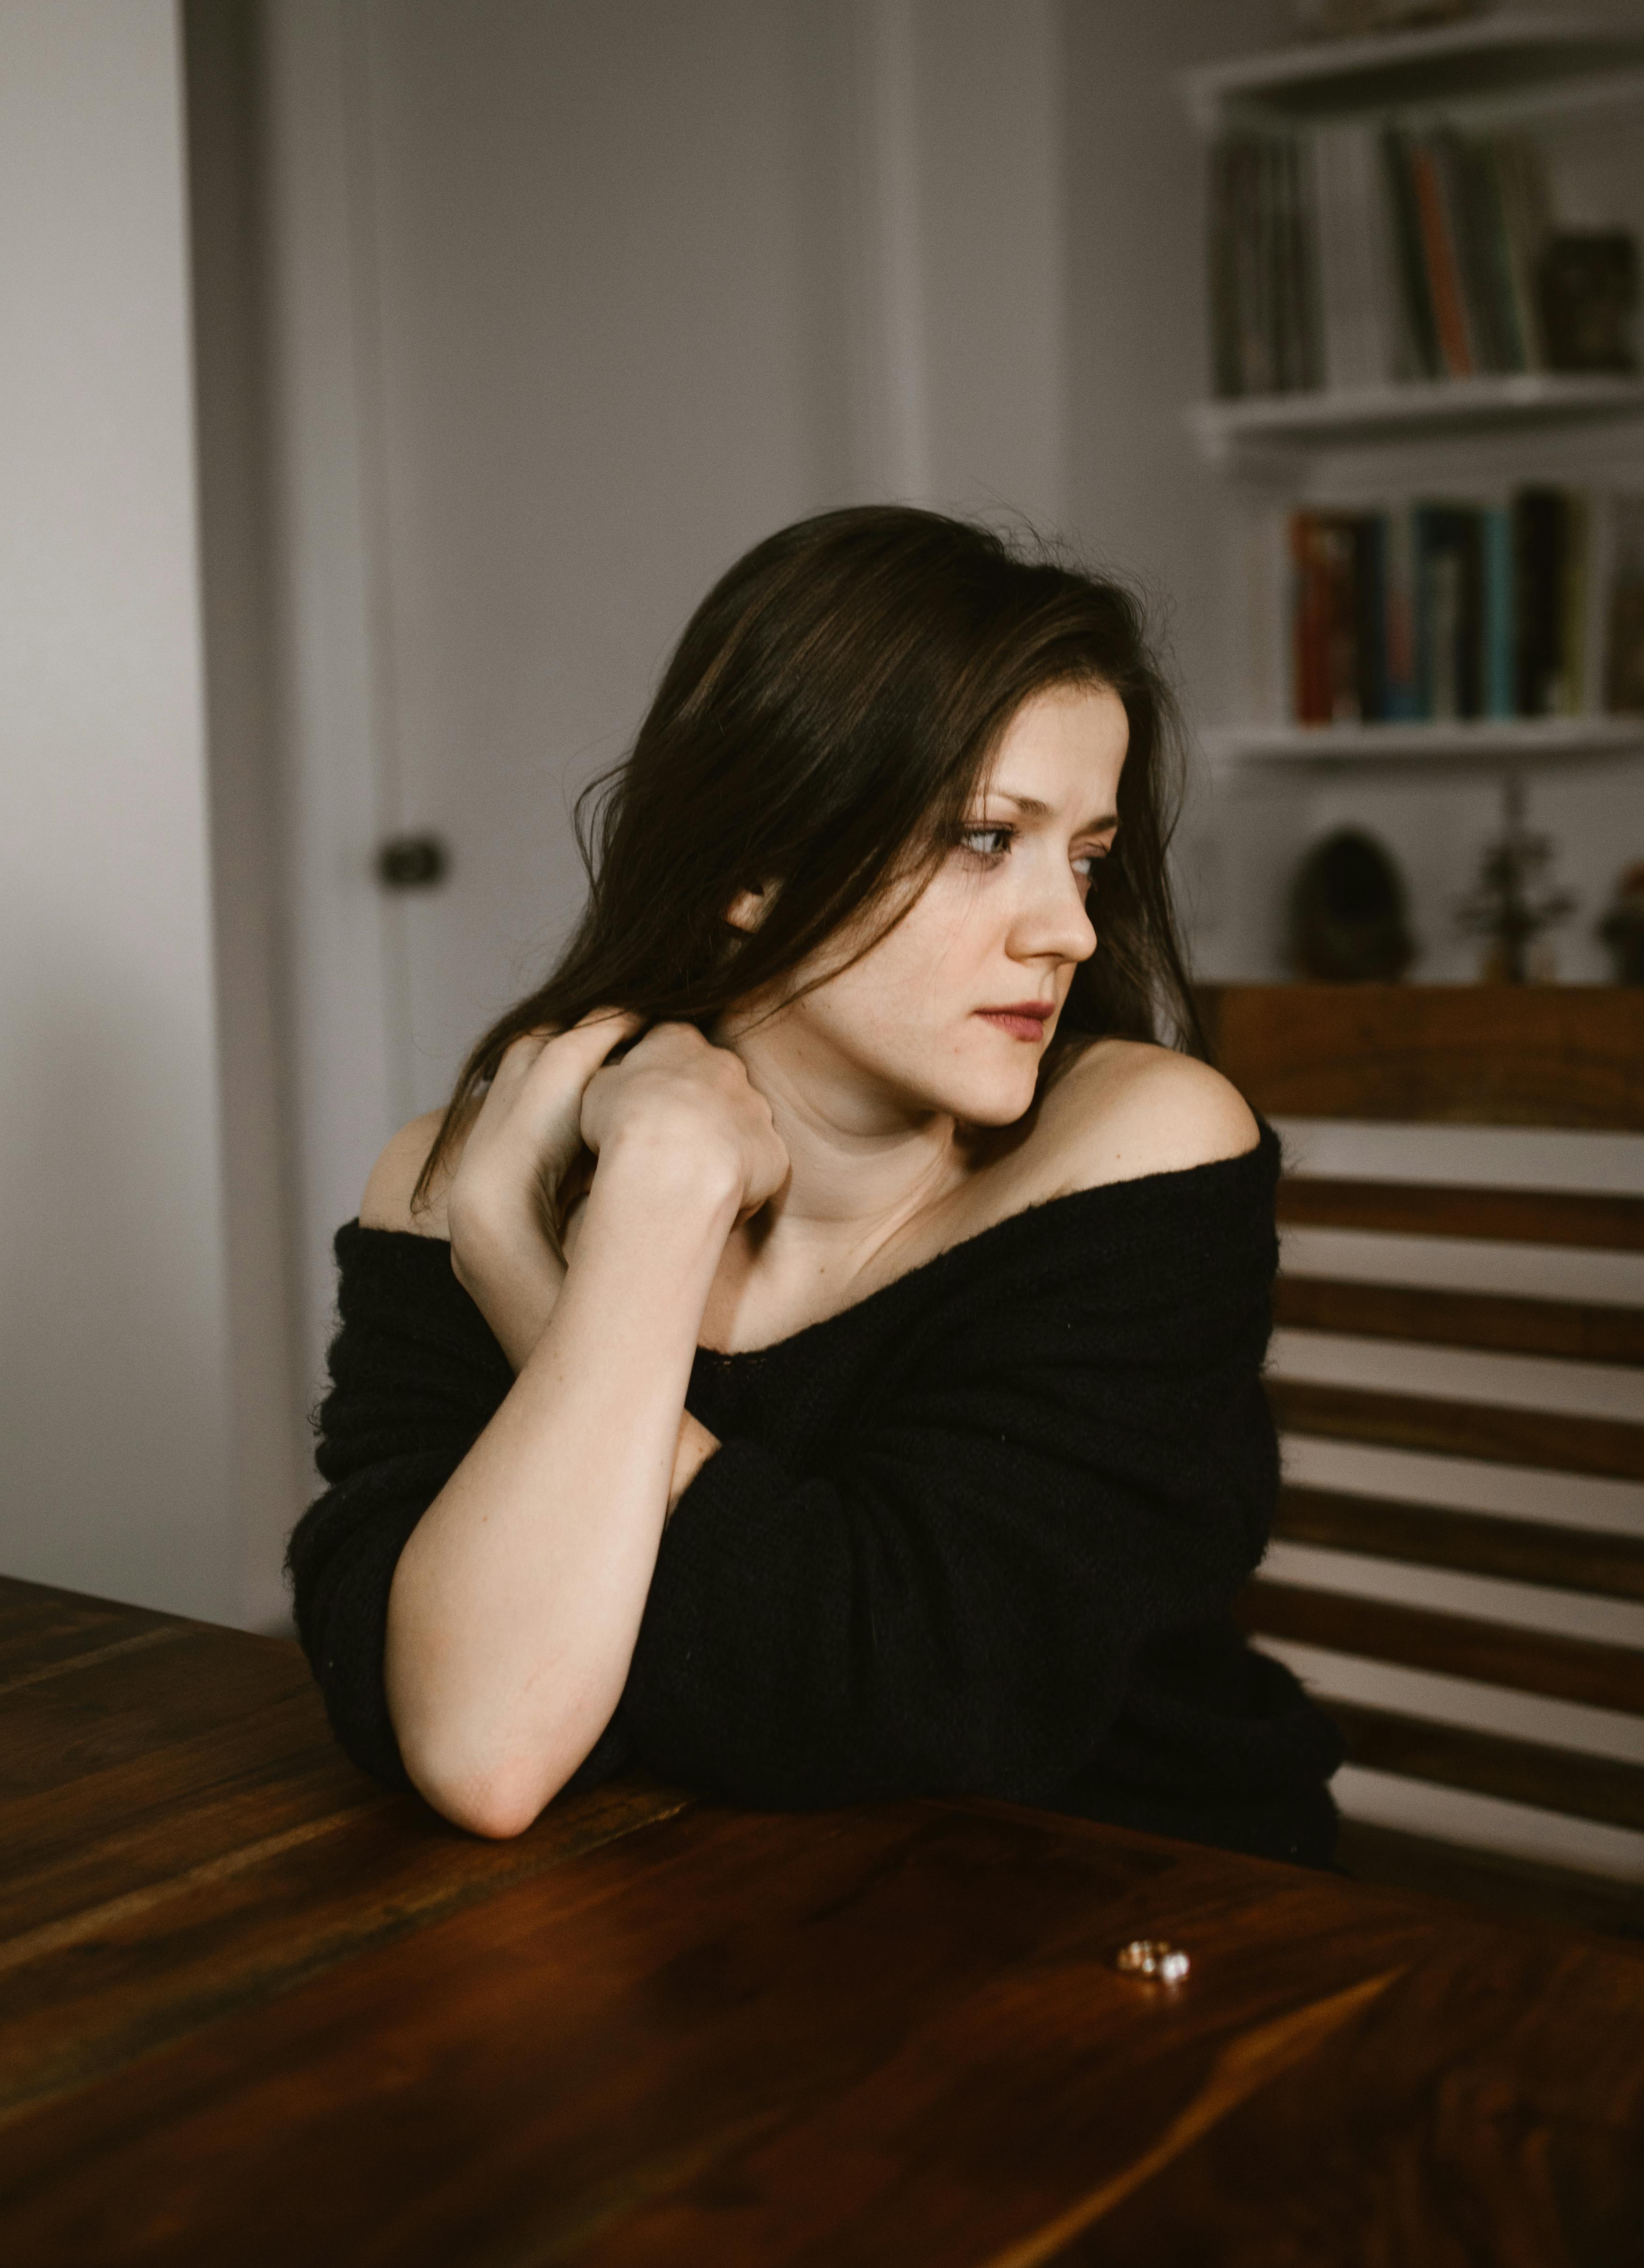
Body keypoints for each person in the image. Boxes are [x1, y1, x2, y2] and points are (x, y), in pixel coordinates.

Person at [287, 506, 1340, 1864]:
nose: (1071, 927)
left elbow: (896, 1698)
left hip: (1123, 1929)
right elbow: (480, 1740)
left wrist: (536, 1282)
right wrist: (652, 1209)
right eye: (983, 837)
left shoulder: (1142, 1148)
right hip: (681, 1953)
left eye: (1084, 853)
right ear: (751, 864)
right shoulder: (461, 1179)